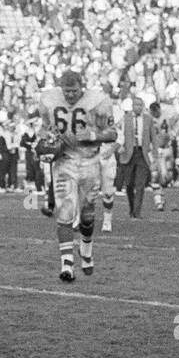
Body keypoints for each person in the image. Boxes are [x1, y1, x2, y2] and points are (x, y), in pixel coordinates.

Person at [37, 70, 115, 281]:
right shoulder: (49, 99)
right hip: (64, 162)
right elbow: (43, 129)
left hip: (89, 161)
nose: (70, 95)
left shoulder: (98, 101)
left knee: (87, 215)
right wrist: (46, 139)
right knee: (64, 212)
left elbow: (112, 133)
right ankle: (67, 266)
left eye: (74, 91)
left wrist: (92, 135)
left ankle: (86, 249)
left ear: (82, 86)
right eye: (67, 91)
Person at [116, 95, 157, 220]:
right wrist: (119, 147)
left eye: (140, 105)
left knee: (140, 183)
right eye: (136, 105)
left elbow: (153, 137)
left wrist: (154, 154)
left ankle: (137, 211)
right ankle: (132, 207)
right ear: (132, 106)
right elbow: (119, 134)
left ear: (143, 106)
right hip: (129, 153)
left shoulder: (148, 119)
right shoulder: (125, 118)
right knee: (129, 184)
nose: (138, 107)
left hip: (142, 153)